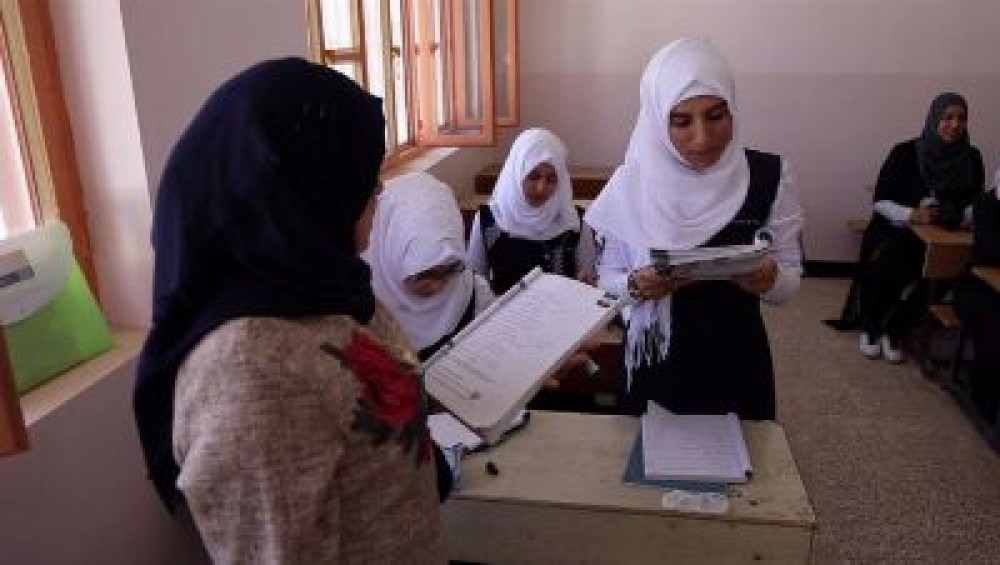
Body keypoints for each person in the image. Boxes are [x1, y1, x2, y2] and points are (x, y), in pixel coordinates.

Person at [133, 59, 445, 563]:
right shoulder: (250, 373)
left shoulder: (323, 289)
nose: (377, 194)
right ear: (305, 191)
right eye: (366, 181)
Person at [584, 38, 804, 421]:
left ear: (733, 109)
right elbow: (606, 284)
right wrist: (636, 285)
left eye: (716, 116)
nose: (702, 138)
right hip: (654, 360)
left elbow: (788, 284)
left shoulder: (769, 176)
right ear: (657, 118)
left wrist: (770, 279)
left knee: (742, 455)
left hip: (735, 355)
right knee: (647, 454)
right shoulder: (631, 185)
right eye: (681, 121)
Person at [835, 92, 984, 362]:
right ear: (934, 119)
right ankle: (872, 325)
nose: (955, 125)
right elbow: (880, 201)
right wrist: (913, 215)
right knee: (893, 263)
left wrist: (964, 216)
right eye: (948, 117)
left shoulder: (972, 158)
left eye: (961, 118)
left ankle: (896, 328)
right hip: (899, 229)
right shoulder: (905, 152)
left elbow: (975, 202)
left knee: (951, 270)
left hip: (944, 237)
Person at [365, 171, 496, 362]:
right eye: (425, 274)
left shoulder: (474, 295)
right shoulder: (363, 312)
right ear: (391, 250)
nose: (438, 287)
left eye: (451, 270)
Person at [467, 127, 597, 295]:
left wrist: (585, 284)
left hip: (561, 308)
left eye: (551, 179)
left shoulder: (572, 222)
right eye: (533, 177)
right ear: (517, 173)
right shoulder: (490, 220)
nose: (541, 188)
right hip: (504, 309)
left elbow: (587, 279)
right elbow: (476, 283)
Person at [954, 171, 1000, 425]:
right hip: (978, 289)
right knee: (995, 329)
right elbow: (991, 252)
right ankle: (985, 401)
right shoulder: (987, 205)